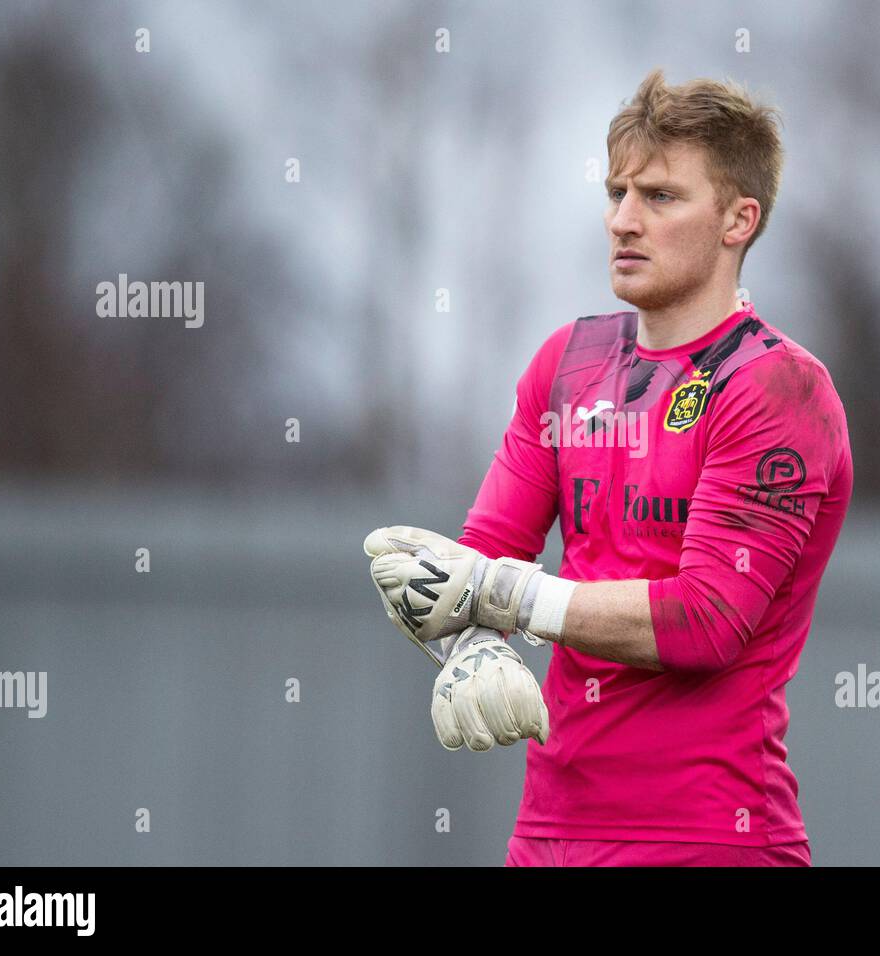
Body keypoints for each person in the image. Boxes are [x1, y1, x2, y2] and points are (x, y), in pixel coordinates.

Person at [365, 68, 852, 867]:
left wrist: (504, 597)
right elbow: (477, 565)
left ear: (739, 219)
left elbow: (707, 620)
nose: (623, 220)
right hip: (548, 837)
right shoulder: (568, 361)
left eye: (660, 197)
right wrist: (464, 638)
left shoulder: (779, 387)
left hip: (708, 840)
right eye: (616, 191)